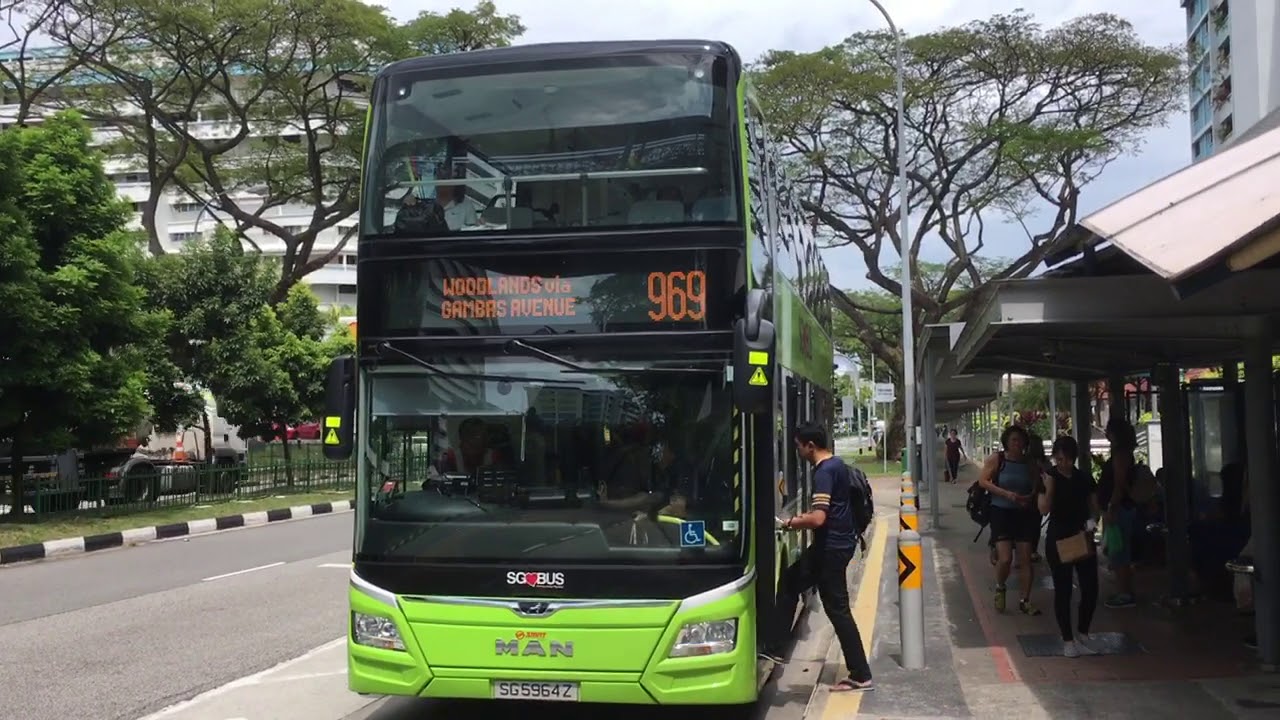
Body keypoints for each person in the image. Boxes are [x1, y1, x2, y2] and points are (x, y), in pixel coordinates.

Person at [764, 422, 873, 693]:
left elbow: (818, 517)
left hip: (831, 550)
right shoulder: (836, 465)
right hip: (836, 545)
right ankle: (775, 648)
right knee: (797, 584)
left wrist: (788, 523)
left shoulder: (824, 472)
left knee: (834, 606)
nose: (797, 450)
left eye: (798, 445)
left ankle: (860, 673)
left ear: (810, 446)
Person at [1038, 435, 1101, 658]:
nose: (1063, 463)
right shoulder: (1049, 477)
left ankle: (1083, 632)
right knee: (1063, 589)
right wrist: (1049, 487)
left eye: (1067, 458)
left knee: (1090, 587)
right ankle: (1068, 639)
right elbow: (1043, 509)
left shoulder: (1083, 478)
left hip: (1081, 535)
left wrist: (1093, 520)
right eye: (1059, 458)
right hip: (1058, 538)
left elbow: (1094, 504)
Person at [977, 425, 1042, 615]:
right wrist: (1006, 494)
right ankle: (1000, 586)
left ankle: (1025, 599)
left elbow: (1037, 486)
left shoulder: (1030, 463)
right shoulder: (998, 459)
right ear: (1007, 442)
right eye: (1014, 440)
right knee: (1005, 559)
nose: (1017, 444)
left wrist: (1028, 498)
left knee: (1025, 559)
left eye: (1020, 440)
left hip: (1024, 514)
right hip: (1001, 512)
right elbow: (983, 481)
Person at [1098, 417, 1140, 608]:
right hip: (1122, 507)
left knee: (1119, 552)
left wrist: (1112, 507)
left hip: (1119, 508)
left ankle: (1125, 593)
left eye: (1109, 431)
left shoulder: (1120, 455)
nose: (1106, 434)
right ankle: (1124, 591)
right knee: (1118, 550)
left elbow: (1119, 483)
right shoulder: (1123, 453)